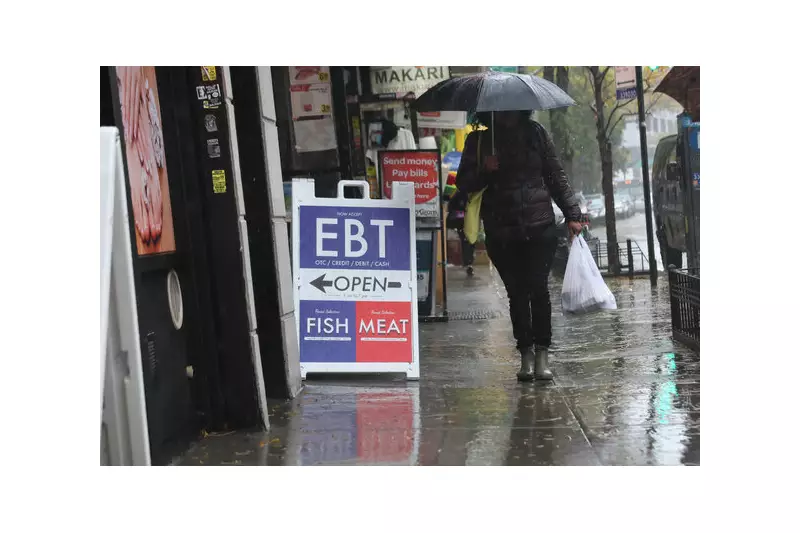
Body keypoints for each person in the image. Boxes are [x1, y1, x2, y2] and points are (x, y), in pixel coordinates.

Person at [455, 111, 583, 381]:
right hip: (501, 230)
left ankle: (542, 355)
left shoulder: (536, 133)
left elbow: (555, 174)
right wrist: (483, 171)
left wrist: (573, 214)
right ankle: (525, 354)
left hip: (539, 227)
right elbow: (463, 184)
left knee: (538, 290)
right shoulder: (479, 141)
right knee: (516, 293)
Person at [446, 188, 475, 276]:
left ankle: (468, 262)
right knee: (467, 241)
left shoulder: (468, 195)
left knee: (468, 241)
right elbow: (452, 208)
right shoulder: (460, 195)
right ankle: (468, 262)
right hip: (461, 223)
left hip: (467, 223)